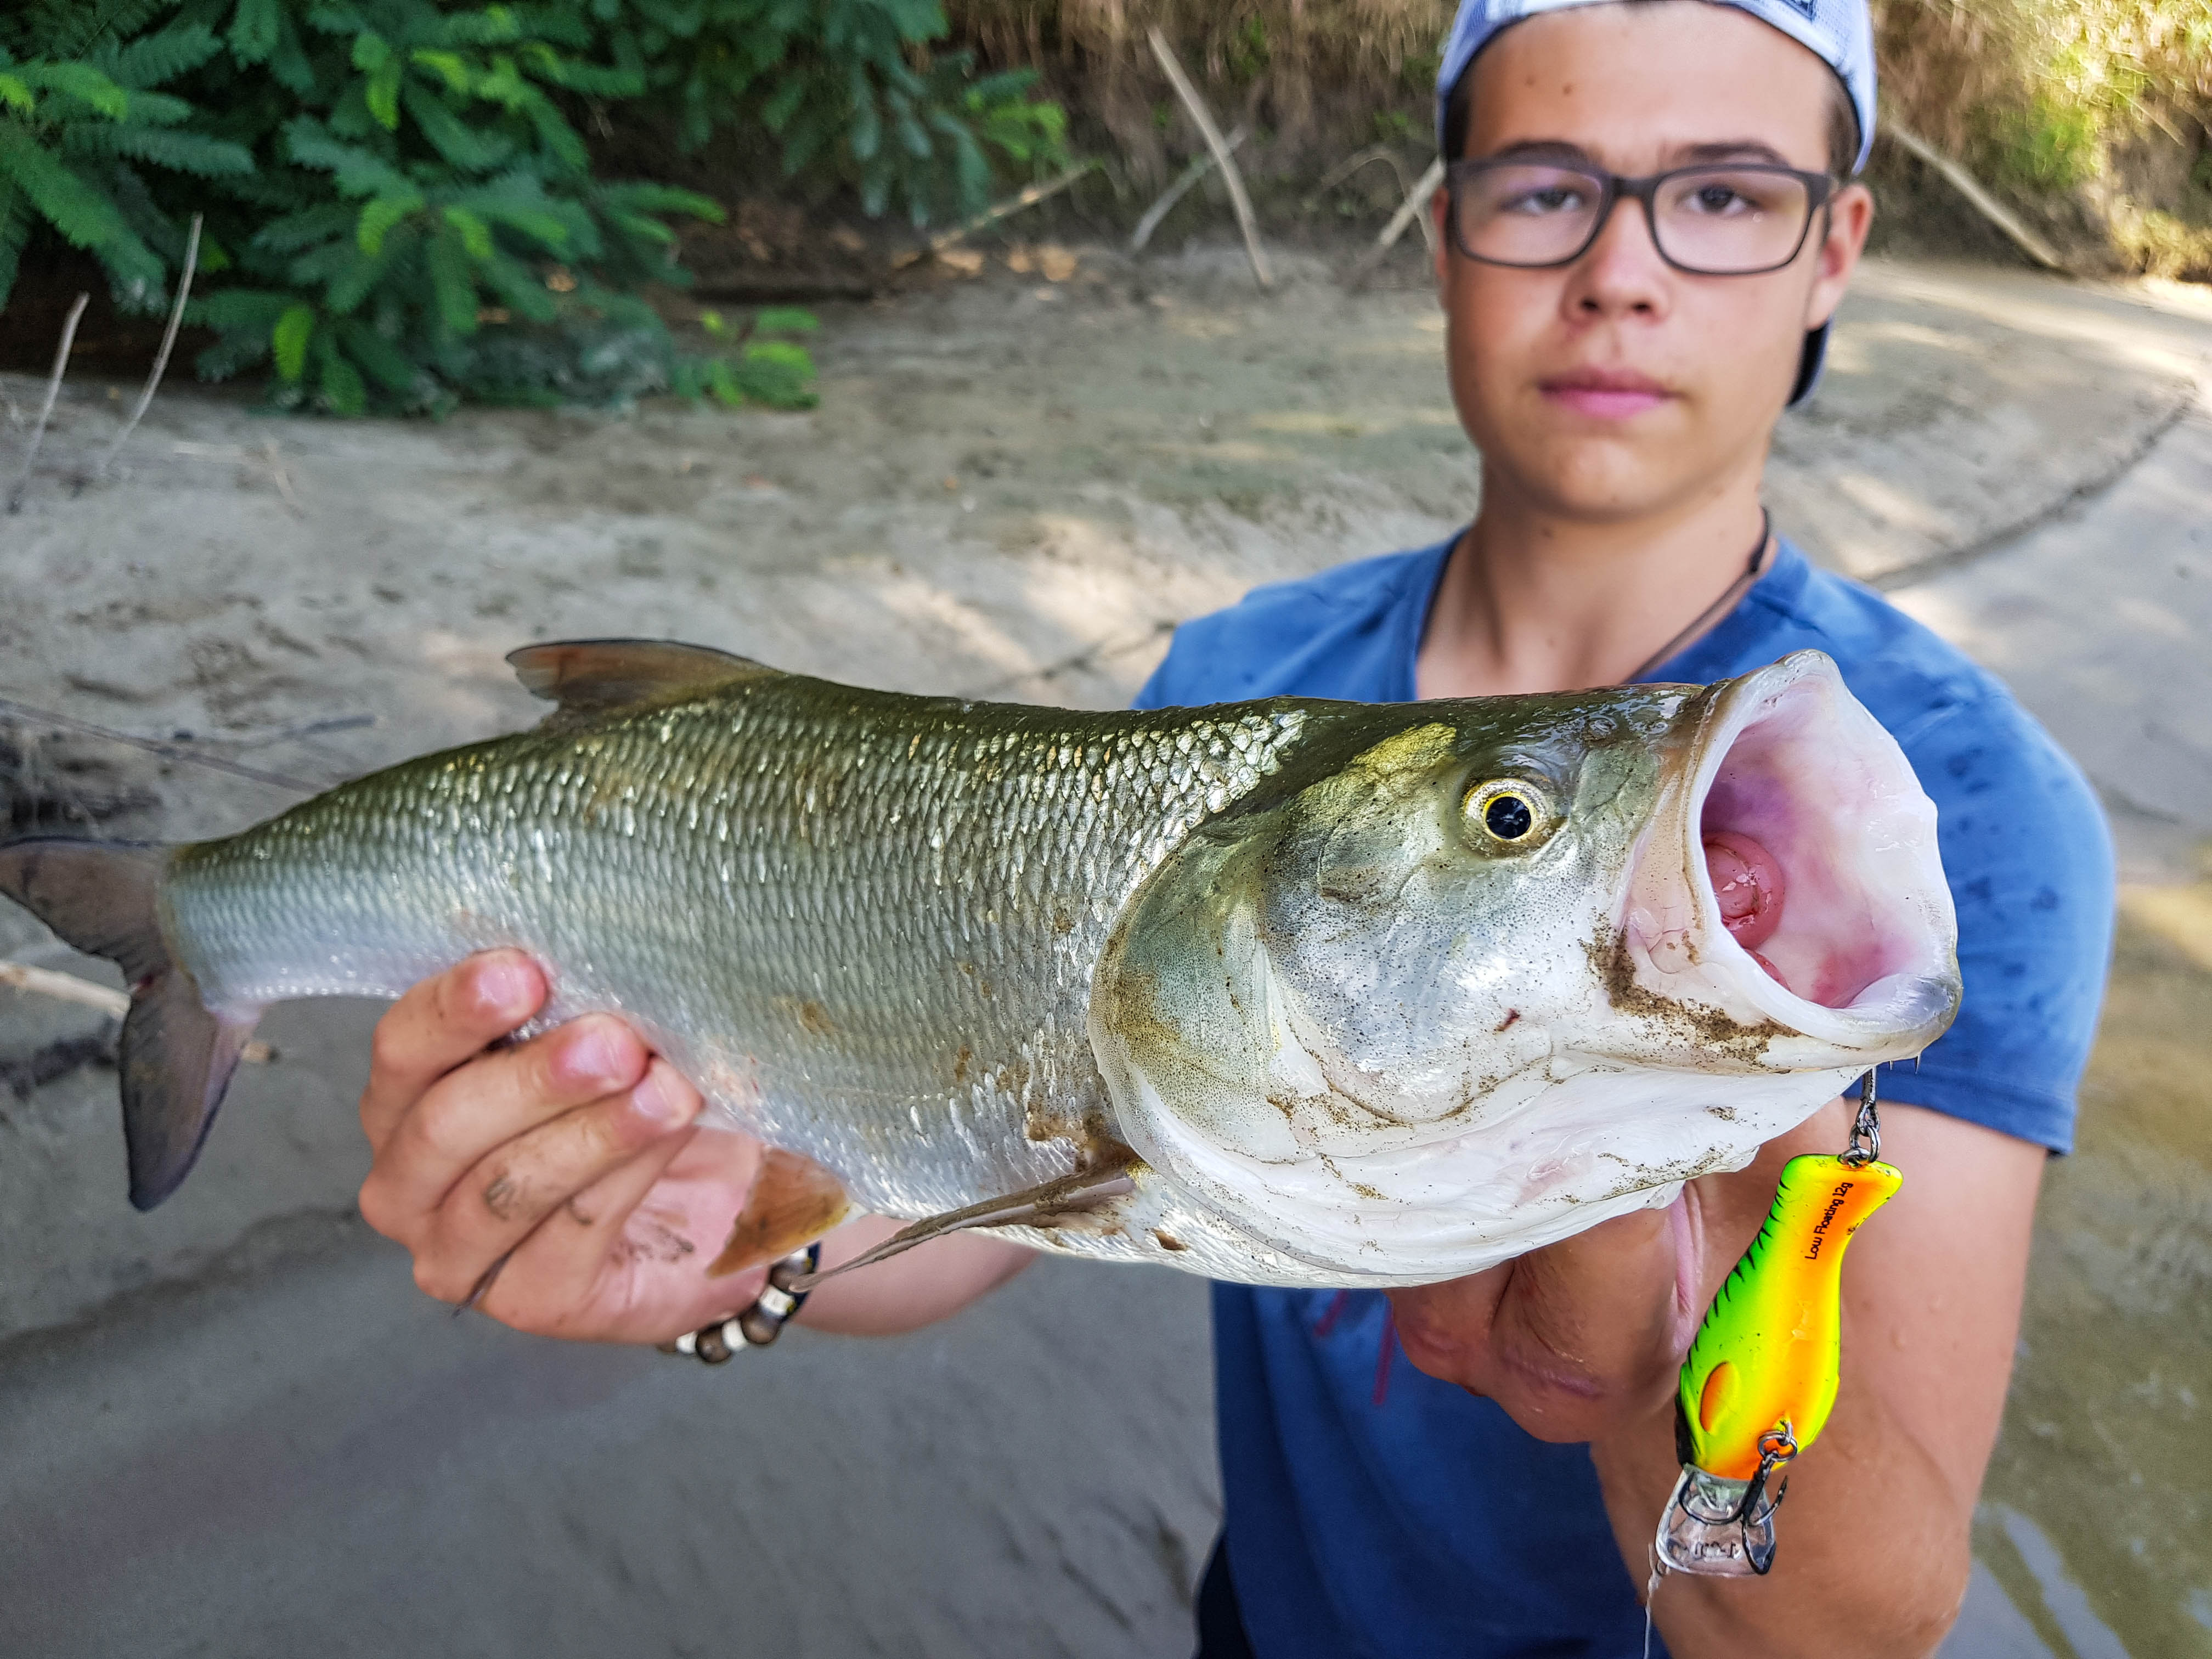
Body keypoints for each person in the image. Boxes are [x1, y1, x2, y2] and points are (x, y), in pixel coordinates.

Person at [352, 0, 2115, 1651]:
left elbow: (1861, 1622)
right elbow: (1004, 1174)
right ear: (1443, 235)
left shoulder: (1962, 822)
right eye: (1546, 188)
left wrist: (1672, 1353)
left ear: (1837, 250)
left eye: (1725, 196)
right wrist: (717, 1248)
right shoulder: (1245, 677)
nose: (1619, 274)